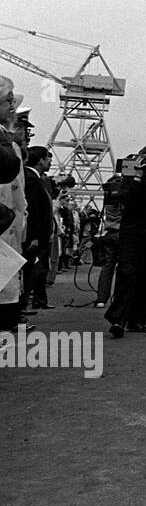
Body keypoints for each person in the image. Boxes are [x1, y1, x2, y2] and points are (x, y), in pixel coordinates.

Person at [104, 146, 146, 338]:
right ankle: (118, 320)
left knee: (145, 279)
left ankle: (136, 319)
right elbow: (125, 199)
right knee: (127, 275)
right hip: (131, 236)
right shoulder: (127, 180)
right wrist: (138, 177)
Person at [0, 77, 25, 333]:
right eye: (8, 101)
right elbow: (7, 170)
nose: (12, 108)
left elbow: (19, 199)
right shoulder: (7, 146)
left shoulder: (11, 146)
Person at [21, 145, 55, 314]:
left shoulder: (34, 179)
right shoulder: (31, 180)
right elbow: (32, 211)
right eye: (48, 158)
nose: (49, 161)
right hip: (33, 236)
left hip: (37, 236)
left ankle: (29, 303)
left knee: (36, 271)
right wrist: (34, 236)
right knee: (29, 272)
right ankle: (21, 307)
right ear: (41, 160)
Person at [95, 169, 126, 309]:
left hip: (110, 234)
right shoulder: (123, 199)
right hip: (123, 235)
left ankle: (101, 298)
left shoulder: (108, 200)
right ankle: (119, 299)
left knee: (107, 268)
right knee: (123, 269)